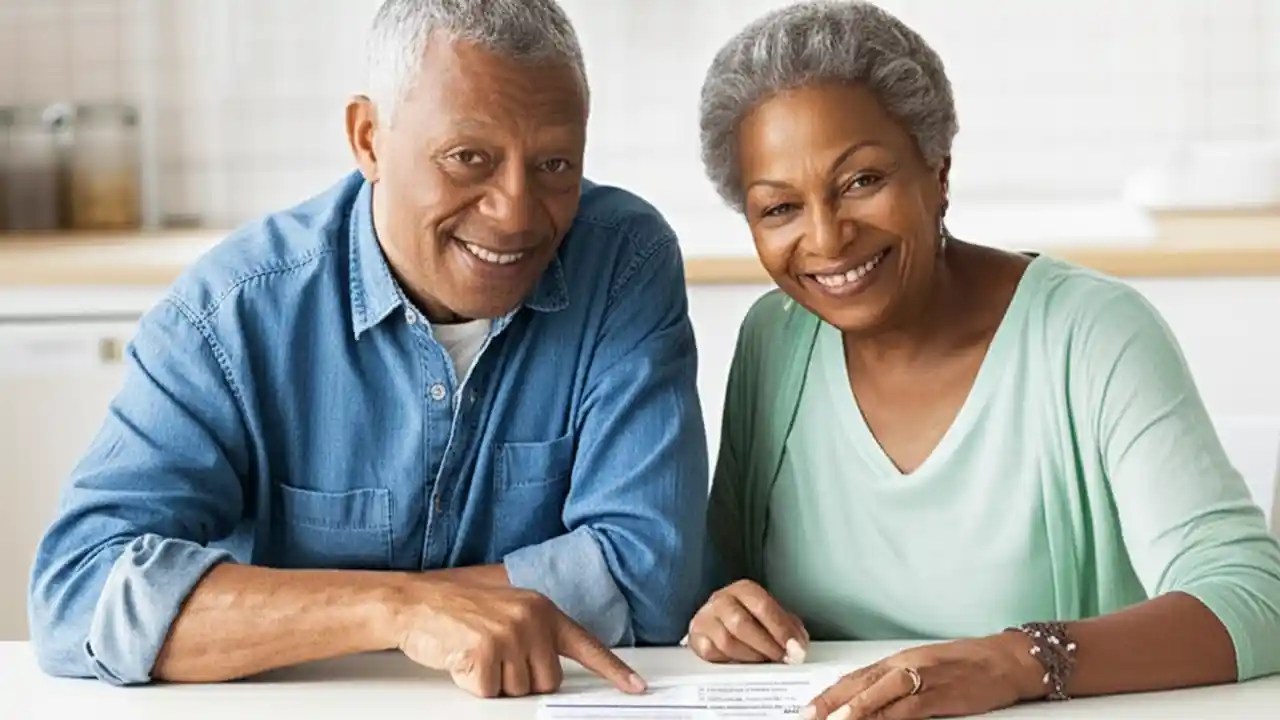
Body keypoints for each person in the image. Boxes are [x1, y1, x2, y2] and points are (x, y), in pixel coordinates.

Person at [28, 0, 709, 699]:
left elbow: (648, 577)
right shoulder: (231, 313)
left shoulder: (622, 263)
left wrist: (296, 610)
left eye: (554, 164)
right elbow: (78, 591)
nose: (516, 212)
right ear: (368, 139)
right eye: (468, 158)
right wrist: (400, 612)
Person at [687, 2, 1280, 718]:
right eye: (778, 208)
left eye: (862, 181)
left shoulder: (1089, 333)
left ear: (937, 171)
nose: (827, 238)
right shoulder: (775, 339)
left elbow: (1251, 596)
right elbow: (726, 582)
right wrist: (722, 613)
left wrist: (1012, 661)